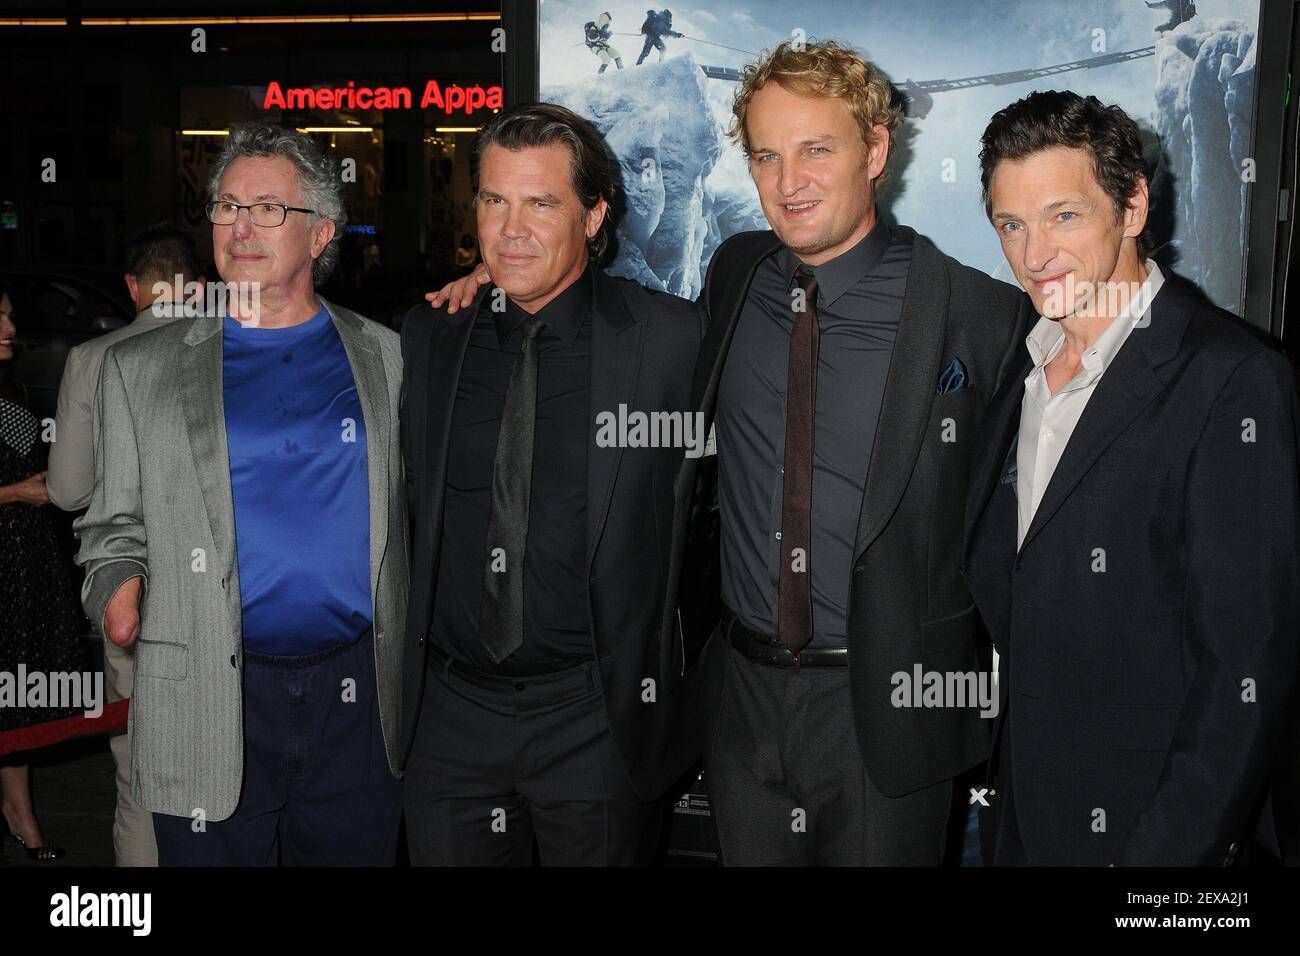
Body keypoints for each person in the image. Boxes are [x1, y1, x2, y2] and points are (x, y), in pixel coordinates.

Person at [430, 40, 1031, 865]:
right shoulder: (736, 274)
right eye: (766, 156)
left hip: (889, 711)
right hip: (741, 701)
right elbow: (591, 307)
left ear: (878, 150)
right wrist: (490, 278)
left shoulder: (983, 314)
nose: (790, 182)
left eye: (817, 149)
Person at [964, 90, 1300, 865]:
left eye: (1065, 216)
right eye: (1011, 224)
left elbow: (1246, 670)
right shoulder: (1022, 364)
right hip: (1023, 818)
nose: (1034, 253)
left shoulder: (1231, 378)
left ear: (1134, 204)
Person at [74, 124, 409, 866]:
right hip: (206, 693)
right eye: (226, 207)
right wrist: (119, 590)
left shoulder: (386, 355)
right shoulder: (141, 367)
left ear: (321, 232)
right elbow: (108, 529)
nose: (239, 226)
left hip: (358, 695)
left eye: (267, 208)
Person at [399, 102, 705, 866]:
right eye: (494, 201)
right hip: (450, 717)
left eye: (541, 203)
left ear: (595, 214)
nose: (511, 230)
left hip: (597, 717)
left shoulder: (671, 341)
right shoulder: (431, 335)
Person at [47, 225, 203, 867]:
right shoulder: (230, 349)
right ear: (195, 289)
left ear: (133, 288)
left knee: (139, 770)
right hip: (225, 593)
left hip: (129, 588)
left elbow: (67, 490)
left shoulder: (94, 359)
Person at [0, 285, 87, 862]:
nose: (11, 324)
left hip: (21, 563)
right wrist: (16, 491)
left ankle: (19, 811)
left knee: (13, 693)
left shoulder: (13, 387)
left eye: (10, 312)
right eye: (0, 314)